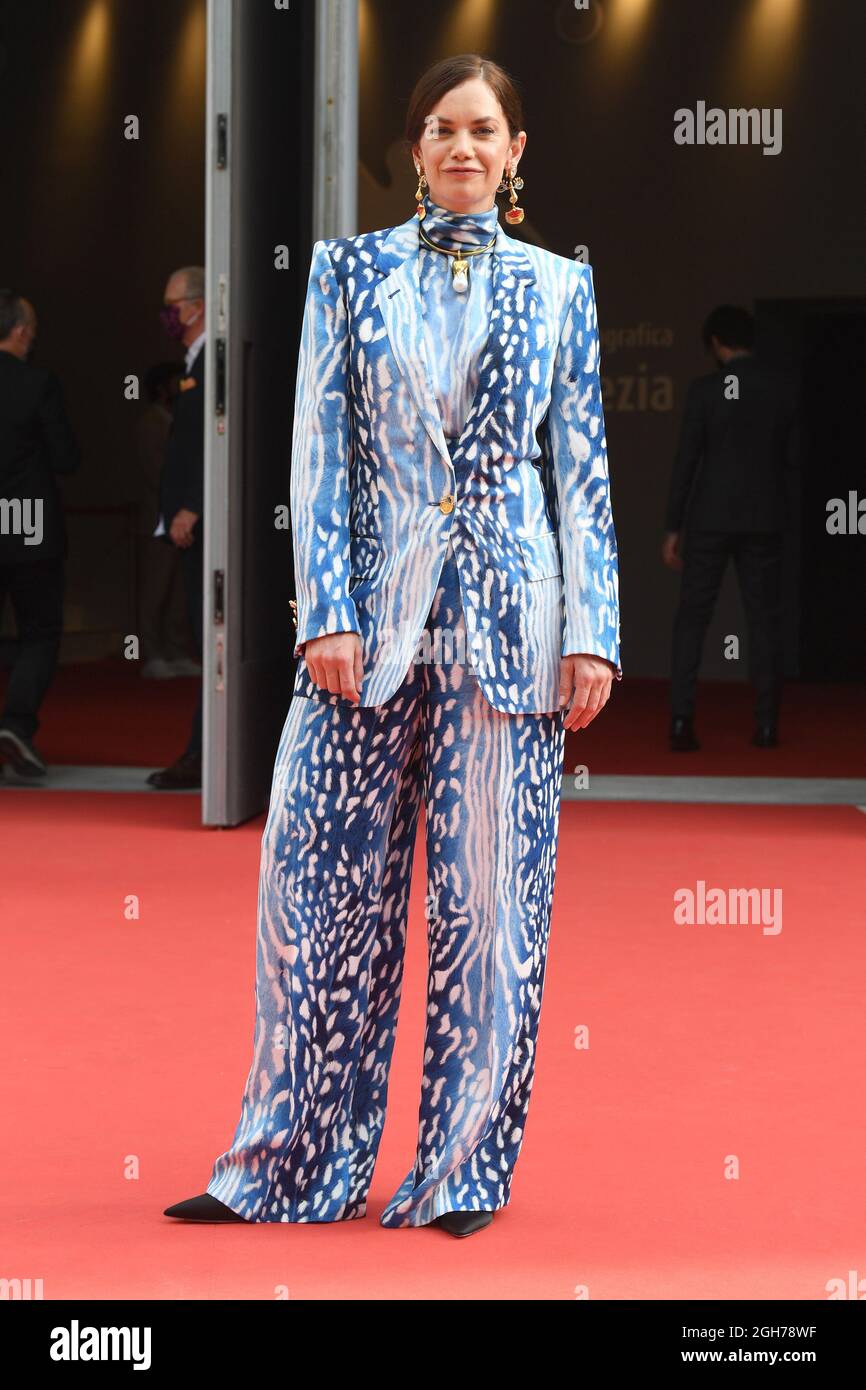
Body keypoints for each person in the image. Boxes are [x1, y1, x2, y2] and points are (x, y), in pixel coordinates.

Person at [165, 54, 621, 1237]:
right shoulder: (346, 273)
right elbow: (318, 454)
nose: (459, 147)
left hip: (508, 631)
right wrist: (324, 609)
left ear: (516, 151)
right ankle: (286, 1164)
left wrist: (593, 635)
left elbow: (580, 476)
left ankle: (459, 1175)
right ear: (410, 149)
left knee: (490, 909)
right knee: (313, 897)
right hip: (366, 633)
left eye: (481, 129)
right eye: (437, 129)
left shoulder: (559, 287)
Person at [662, 305, 799, 751]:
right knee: (763, 622)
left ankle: (681, 723)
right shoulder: (779, 388)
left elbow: (685, 461)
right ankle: (767, 726)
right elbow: (792, 463)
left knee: (693, 621)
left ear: (717, 345)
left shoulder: (705, 390)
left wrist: (672, 526)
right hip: (763, 520)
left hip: (708, 520)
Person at [0, 288, 80, 778]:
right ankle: (15, 723)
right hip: (26, 518)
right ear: (20, 331)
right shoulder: (37, 383)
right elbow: (67, 458)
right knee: (40, 630)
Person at [147, 267, 206, 790]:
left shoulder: (213, 359)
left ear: (200, 304)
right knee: (202, 635)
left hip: (203, 527)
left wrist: (193, 506)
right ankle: (202, 751)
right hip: (186, 525)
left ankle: (204, 754)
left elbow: (217, 443)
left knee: (211, 640)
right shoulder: (193, 362)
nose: (169, 313)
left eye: (174, 303)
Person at [134, 362, 197, 679]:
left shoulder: (176, 419)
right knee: (155, 588)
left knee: (177, 589)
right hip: (156, 518)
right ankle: (152, 653)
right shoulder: (150, 422)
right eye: (175, 382)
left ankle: (176, 650)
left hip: (178, 516)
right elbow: (156, 471)